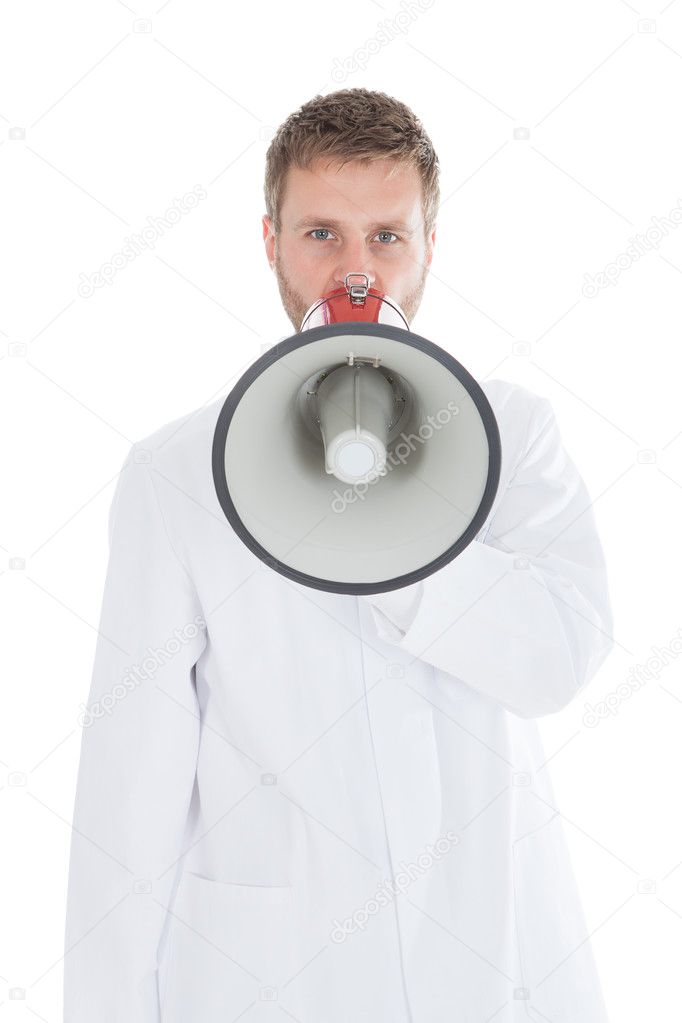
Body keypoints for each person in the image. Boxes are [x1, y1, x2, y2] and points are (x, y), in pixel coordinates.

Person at [63, 88, 615, 1022]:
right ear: (271, 239)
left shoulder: (513, 434)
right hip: (274, 977)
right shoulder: (177, 476)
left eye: (387, 237)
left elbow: (559, 658)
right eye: (322, 233)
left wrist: (404, 535)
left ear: (429, 248)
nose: (354, 272)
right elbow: (132, 792)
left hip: (493, 963)